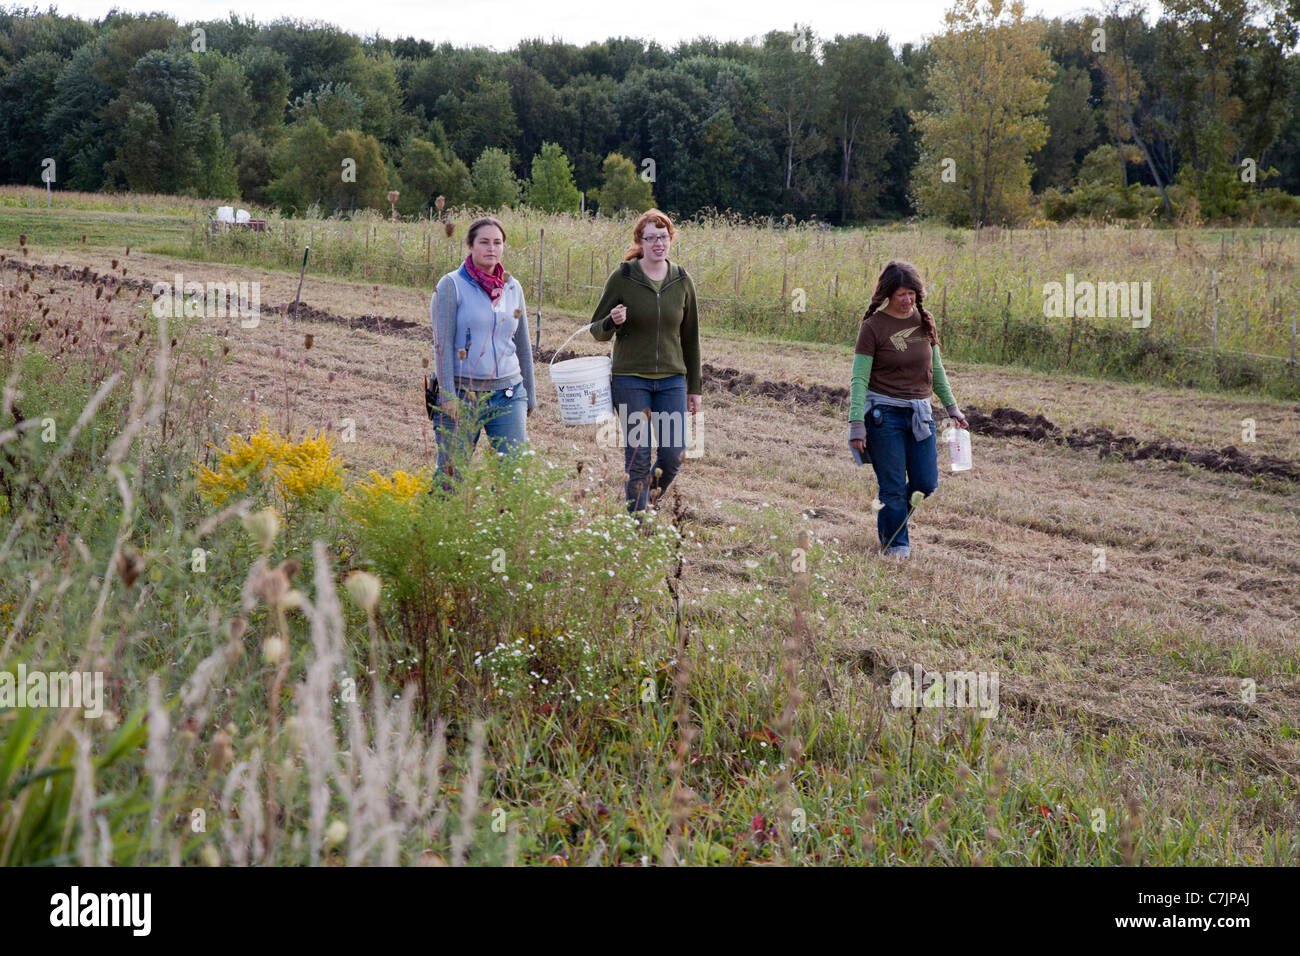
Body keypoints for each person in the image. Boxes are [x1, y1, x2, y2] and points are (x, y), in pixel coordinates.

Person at [848, 260, 968, 559]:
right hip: (882, 416)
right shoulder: (873, 327)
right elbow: (859, 378)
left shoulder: (924, 320)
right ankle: (895, 547)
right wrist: (856, 423)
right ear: (888, 294)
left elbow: (935, 370)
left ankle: (892, 519)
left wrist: (952, 408)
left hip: (920, 414)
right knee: (891, 487)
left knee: (926, 482)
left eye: (912, 293)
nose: (908, 300)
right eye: (901, 294)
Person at [590, 209, 702, 516]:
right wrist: (611, 322)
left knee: (673, 455)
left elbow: (691, 339)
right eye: (651, 237)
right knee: (638, 456)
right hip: (630, 379)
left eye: (663, 237)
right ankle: (636, 525)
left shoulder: (681, 279)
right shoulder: (623, 277)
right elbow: (595, 329)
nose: (658, 243)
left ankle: (646, 501)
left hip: (672, 381)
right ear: (640, 241)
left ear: (671, 239)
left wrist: (695, 388)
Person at [429, 216, 536, 479]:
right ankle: (434, 520)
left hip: (509, 394)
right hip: (464, 395)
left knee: (513, 475)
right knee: (451, 477)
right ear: (470, 246)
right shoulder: (451, 285)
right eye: (484, 242)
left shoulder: (513, 287)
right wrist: (448, 396)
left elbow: (522, 344)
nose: (491, 248)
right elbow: (441, 346)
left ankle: (498, 519)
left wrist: (530, 393)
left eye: (497, 243)